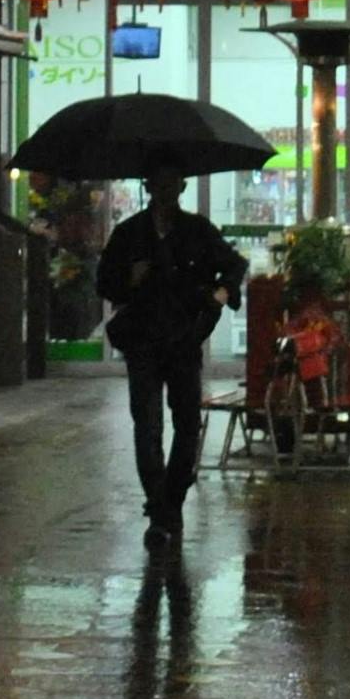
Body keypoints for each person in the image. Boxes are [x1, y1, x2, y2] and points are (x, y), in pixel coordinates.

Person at [99, 172, 242, 544]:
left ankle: (170, 501)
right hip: (142, 340)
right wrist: (130, 279)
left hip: (183, 339)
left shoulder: (197, 230)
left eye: (171, 184)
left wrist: (220, 295)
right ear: (149, 187)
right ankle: (159, 507)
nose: (165, 191)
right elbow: (104, 283)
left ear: (181, 187)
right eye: (158, 184)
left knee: (187, 424)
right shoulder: (130, 233)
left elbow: (233, 265)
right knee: (146, 425)